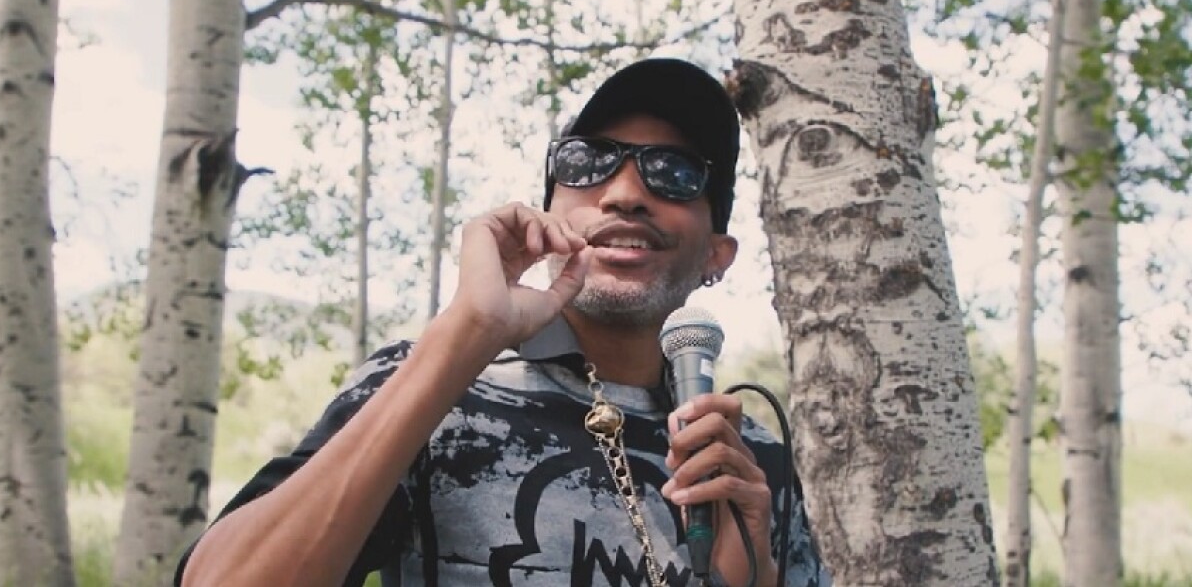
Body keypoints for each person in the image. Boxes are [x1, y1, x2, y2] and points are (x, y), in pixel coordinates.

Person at [176, 58, 829, 587]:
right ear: (547, 217)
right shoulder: (434, 382)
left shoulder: (751, 461)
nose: (625, 193)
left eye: (675, 173)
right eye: (588, 161)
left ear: (717, 255)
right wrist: (465, 337)